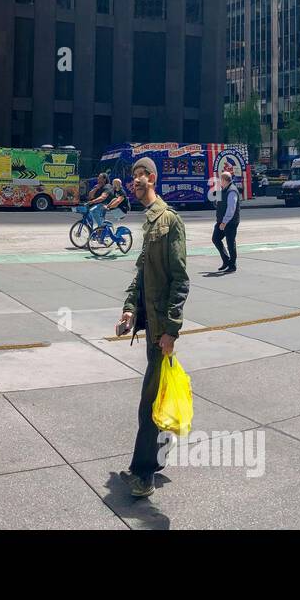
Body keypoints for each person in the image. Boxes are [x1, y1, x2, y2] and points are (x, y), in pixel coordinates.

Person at [115, 157, 189, 499]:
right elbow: (141, 274)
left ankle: (143, 473)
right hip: (150, 326)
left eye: (141, 176)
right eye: (133, 177)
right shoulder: (148, 223)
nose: (135, 181)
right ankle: (156, 455)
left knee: (149, 402)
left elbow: (180, 280)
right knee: (155, 396)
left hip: (162, 330)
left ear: (154, 178)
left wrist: (171, 330)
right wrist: (130, 310)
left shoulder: (169, 220)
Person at [212, 170, 241, 272]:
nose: (219, 181)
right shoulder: (222, 189)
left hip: (230, 222)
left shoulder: (232, 191)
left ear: (224, 180)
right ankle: (226, 260)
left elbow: (231, 209)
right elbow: (217, 204)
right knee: (215, 239)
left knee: (230, 243)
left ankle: (232, 265)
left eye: (220, 179)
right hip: (221, 220)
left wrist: (224, 222)